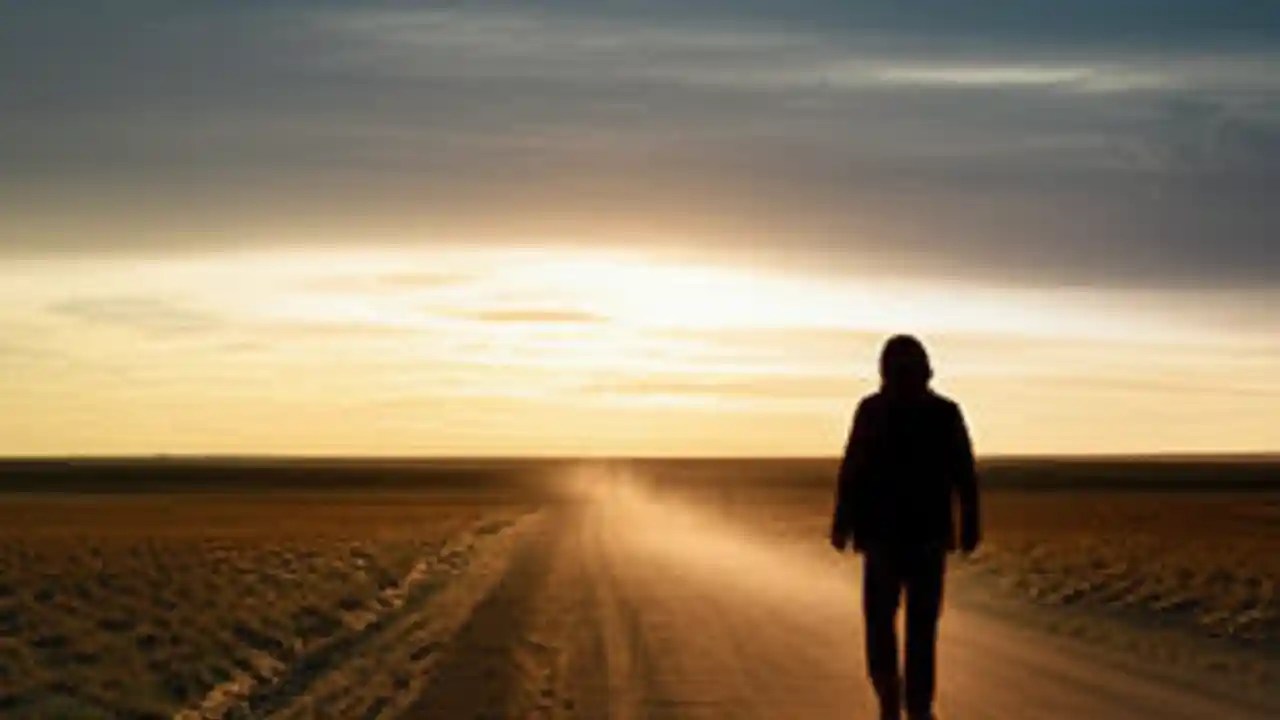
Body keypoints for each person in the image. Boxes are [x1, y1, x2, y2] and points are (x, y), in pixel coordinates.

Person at [830, 335, 981, 720]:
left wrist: (843, 521)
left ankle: (902, 700)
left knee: (894, 624)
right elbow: (853, 469)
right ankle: (904, 700)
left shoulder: (890, 411)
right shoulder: (890, 411)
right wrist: (969, 521)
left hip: (905, 538)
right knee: (914, 628)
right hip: (905, 538)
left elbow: (852, 470)